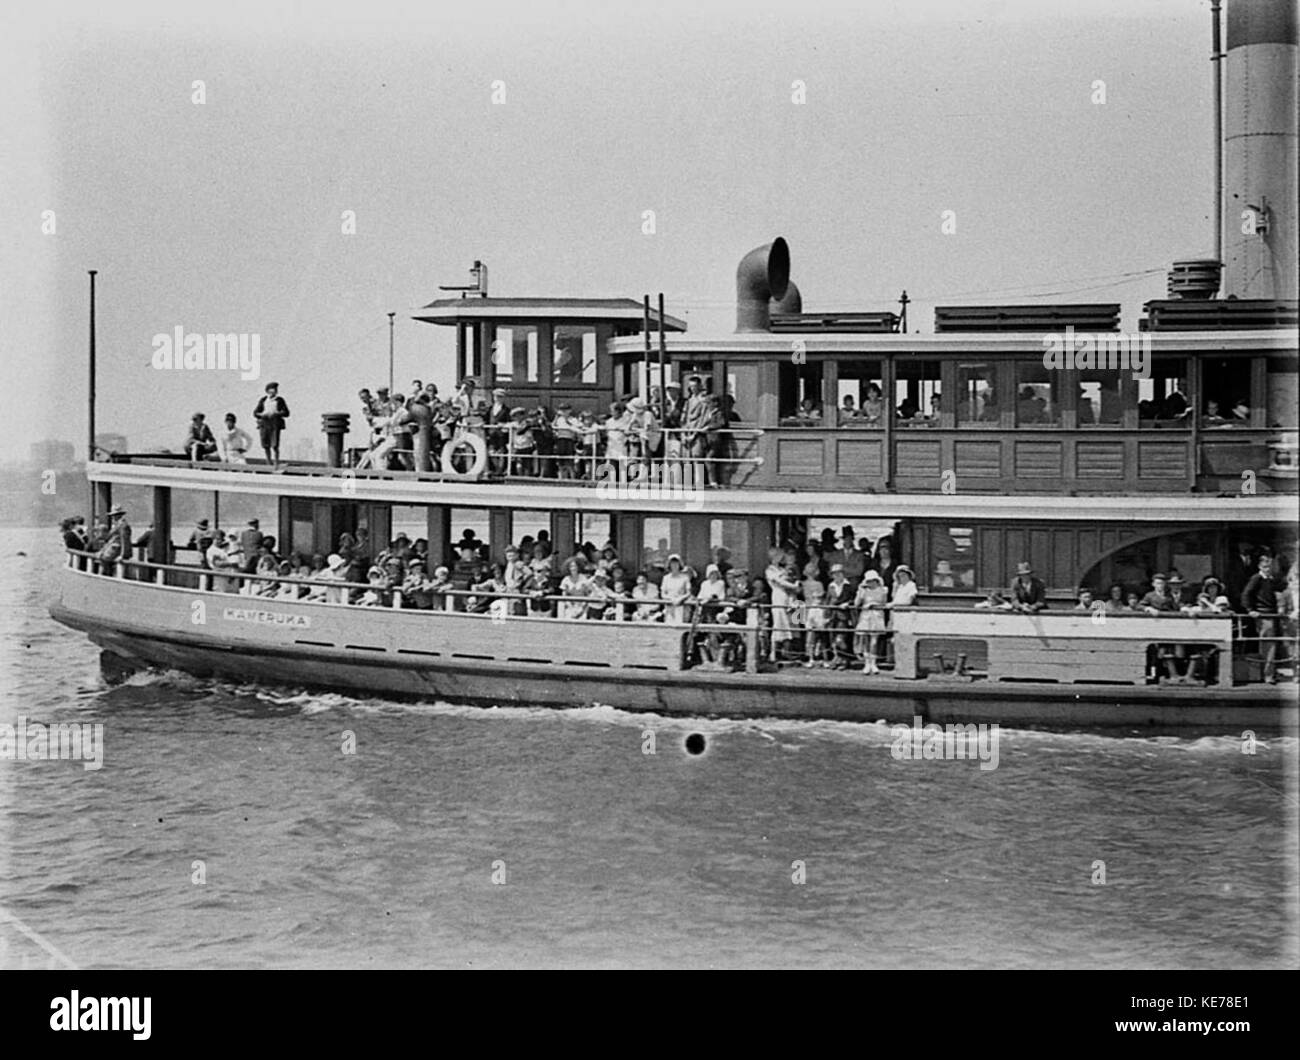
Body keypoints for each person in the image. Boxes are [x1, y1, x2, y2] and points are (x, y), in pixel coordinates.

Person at [1243, 554, 1284, 684]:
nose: (1268, 569)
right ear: (1260, 566)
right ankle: (1268, 675)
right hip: (1264, 615)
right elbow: (1246, 594)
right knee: (1268, 645)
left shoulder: (1271, 579)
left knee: (1273, 644)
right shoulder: (1257, 578)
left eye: (1270, 566)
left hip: (1273, 615)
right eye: (1265, 566)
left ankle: (1271, 671)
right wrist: (1250, 610)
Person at [854, 570, 889, 673]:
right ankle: (866, 664)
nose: (870, 583)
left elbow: (884, 604)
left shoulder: (883, 590)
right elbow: (856, 604)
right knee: (865, 640)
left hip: (877, 615)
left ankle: (873, 663)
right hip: (865, 615)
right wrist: (860, 592)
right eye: (868, 581)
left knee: (874, 641)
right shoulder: (863, 591)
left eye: (872, 581)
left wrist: (874, 605)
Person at [253, 382, 290, 466]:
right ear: (267, 391)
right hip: (265, 423)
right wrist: (262, 415)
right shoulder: (263, 400)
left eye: (275, 389)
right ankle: (268, 462)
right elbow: (255, 413)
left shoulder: (279, 400)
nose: (274, 391)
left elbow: (286, 413)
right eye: (272, 389)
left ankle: (276, 462)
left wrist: (277, 413)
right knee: (266, 444)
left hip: (274, 424)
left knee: (275, 445)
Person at [660, 554, 694, 625]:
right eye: (672, 563)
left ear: (680, 564)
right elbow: (663, 594)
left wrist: (680, 598)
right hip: (669, 606)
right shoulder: (666, 578)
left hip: (681, 606)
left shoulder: (685, 578)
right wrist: (671, 599)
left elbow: (688, 593)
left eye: (676, 563)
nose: (674, 565)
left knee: (679, 627)